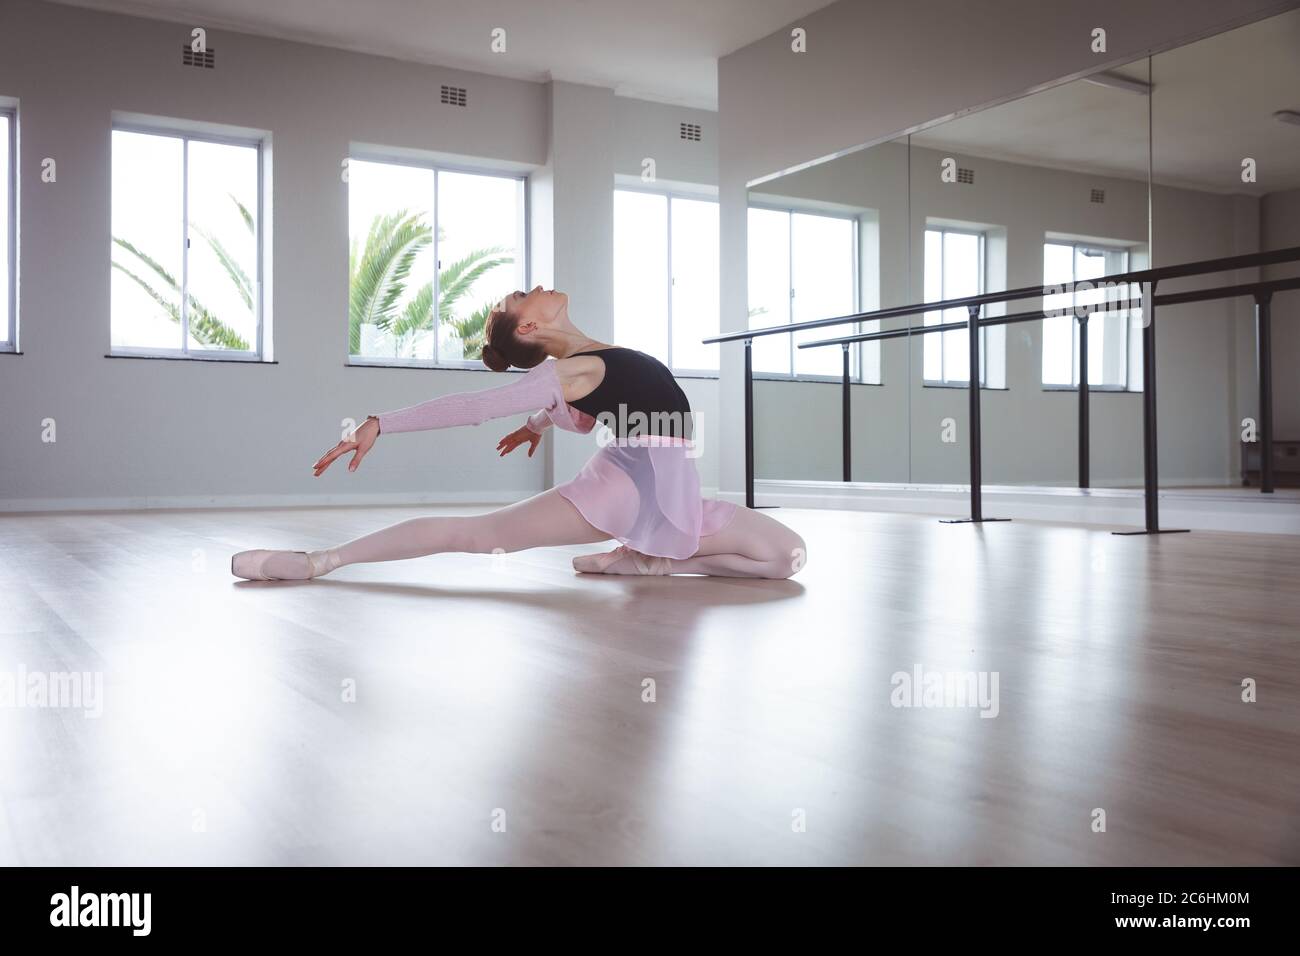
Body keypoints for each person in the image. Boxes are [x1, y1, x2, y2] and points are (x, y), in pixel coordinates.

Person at [231, 287, 806, 581]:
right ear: (529, 325)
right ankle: (319, 562)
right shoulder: (567, 370)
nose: (532, 286)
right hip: (626, 486)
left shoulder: (590, 359)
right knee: (478, 534)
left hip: (669, 487)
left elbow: (589, 411)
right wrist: (384, 422)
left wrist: (536, 425)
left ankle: (643, 559)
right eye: (518, 298)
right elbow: (473, 406)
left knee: (786, 556)